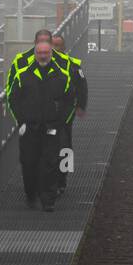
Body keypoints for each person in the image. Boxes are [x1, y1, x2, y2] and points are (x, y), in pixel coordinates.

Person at [5, 36, 78, 211]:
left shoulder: (62, 75)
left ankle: (48, 200)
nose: (43, 56)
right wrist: (20, 121)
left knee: (51, 163)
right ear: (35, 54)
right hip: (29, 128)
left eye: (46, 52)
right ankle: (31, 194)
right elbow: (12, 99)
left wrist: (62, 121)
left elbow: (71, 100)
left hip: (52, 128)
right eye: (39, 53)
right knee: (29, 163)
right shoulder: (23, 75)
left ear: (51, 53)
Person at [50, 35, 88, 194]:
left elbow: (82, 86)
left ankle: (61, 180)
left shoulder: (72, 66)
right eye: (53, 46)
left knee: (64, 144)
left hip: (65, 111)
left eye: (58, 46)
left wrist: (80, 106)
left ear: (63, 48)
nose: (55, 49)